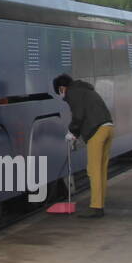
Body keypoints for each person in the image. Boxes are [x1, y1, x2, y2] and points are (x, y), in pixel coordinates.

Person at [53, 73, 114, 218]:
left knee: (93, 170)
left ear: (62, 88)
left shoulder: (73, 93)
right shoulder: (86, 90)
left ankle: (96, 208)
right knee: (101, 169)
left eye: (59, 92)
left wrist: (72, 132)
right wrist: (75, 134)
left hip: (97, 131)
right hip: (108, 127)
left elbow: (78, 116)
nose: (61, 96)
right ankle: (100, 204)